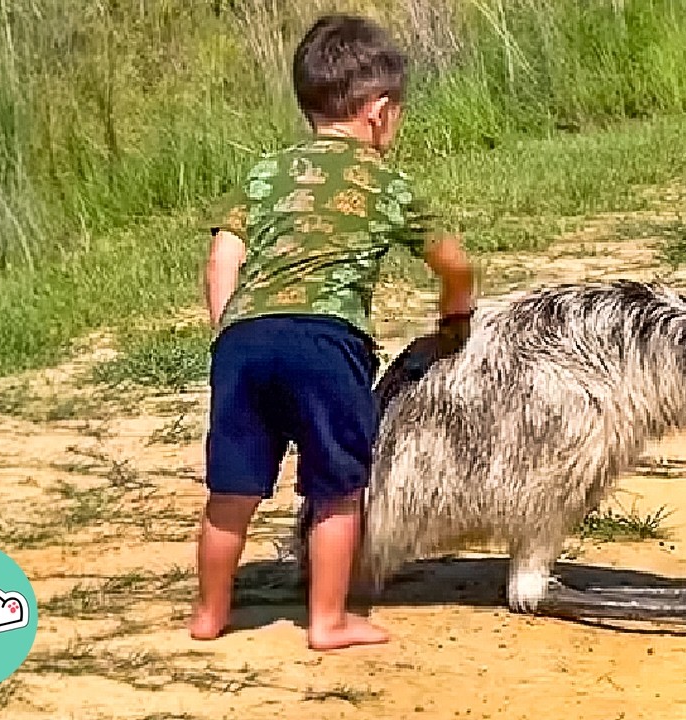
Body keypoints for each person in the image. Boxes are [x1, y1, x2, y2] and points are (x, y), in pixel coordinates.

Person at [190, 13, 476, 651]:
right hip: (326, 342)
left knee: (231, 492)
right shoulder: (387, 183)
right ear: (378, 111)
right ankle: (328, 620)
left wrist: (227, 330)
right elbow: (454, 262)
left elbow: (222, 255)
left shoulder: (267, 173)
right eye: (398, 114)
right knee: (337, 490)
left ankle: (209, 616)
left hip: (245, 342)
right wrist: (456, 310)